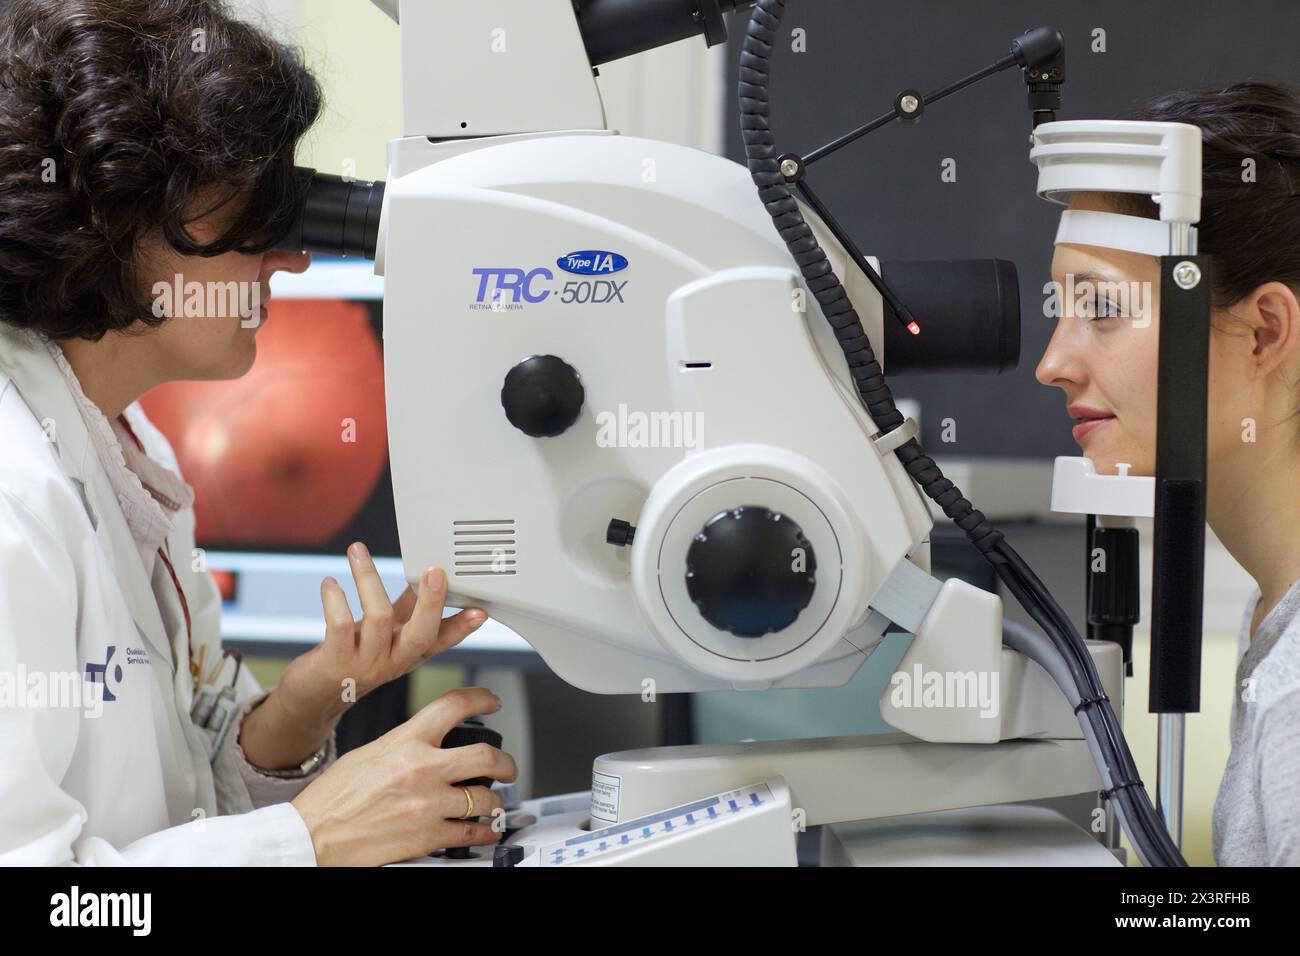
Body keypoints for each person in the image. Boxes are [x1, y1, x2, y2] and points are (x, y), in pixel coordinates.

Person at [0, 0, 516, 866]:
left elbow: (193, 792)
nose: (294, 256)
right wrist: (311, 839)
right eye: (256, 215)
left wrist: (307, 702)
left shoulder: (129, 453)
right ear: (118, 215)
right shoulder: (15, 494)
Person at [1035, 81, 1300, 865]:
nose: (1053, 363)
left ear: (1263, 332)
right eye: (1061, 308)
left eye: (1103, 309)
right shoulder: (1275, 620)